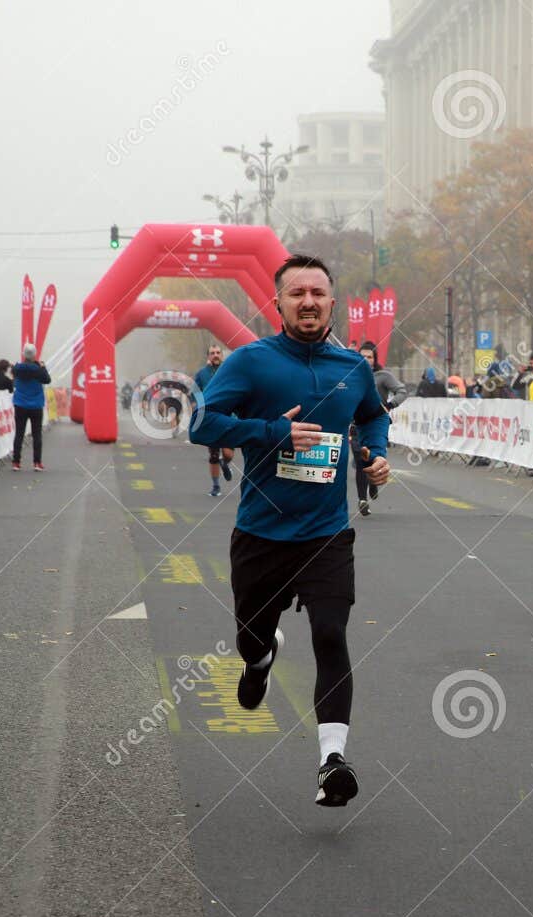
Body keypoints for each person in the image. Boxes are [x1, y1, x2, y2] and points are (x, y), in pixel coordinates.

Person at [189, 254, 391, 809]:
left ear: (332, 302)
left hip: (327, 534)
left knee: (331, 635)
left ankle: (332, 761)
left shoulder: (352, 366)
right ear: (276, 302)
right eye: (296, 293)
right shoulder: (253, 362)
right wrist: (272, 431)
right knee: (252, 637)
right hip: (262, 534)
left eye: (318, 293)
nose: (308, 301)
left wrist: (376, 454)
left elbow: (374, 415)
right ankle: (259, 661)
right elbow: (201, 423)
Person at [195, 344, 235, 498]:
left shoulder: (230, 371)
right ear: (208, 356)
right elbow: (195, 391)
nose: (216, 355)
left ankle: (225, 463)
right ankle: (216, 485)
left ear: (222, 355)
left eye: (218, 352)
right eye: (212, 353)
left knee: (228, 453)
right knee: (213, 454)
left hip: (228, 417)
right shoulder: (201, 374)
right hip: (210, 417)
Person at [354, 341, 385, 515]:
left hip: (373, 425)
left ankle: (373, 483)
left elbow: (401, 390)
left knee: (371, 458)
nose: (366, 360)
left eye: (369, 357)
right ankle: (362, 499)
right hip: (355, 426)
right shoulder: (349, 375)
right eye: (362, 356)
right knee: (360, 461)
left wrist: (389, 404)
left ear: (375, 359)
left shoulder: (383, 376)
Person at [10, 343, 51, 471]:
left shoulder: (17, 368)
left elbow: (13, 375)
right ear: (35, 354)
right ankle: (37, 463)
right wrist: (43, 367)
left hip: (20, 404)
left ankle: (16, 462)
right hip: (36, 405)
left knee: (19, 434)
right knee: (36, 434)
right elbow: (47, 380)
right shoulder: (38, 370)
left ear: (23, 354)